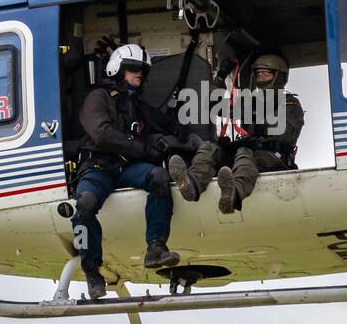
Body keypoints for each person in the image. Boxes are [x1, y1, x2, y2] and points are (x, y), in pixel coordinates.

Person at [73, 43, 180, 299]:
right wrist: (141, 148)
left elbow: (162, 123)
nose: (139, 74)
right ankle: (91, 270)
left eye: (141, 70)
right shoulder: (98, 98)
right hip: (98, 166)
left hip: (126, 167)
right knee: (85, 204)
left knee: (159, 177)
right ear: (118, 70)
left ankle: (156, 247)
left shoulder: (137, 106)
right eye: (133, 69)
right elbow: (101, 133)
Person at [168, 50, 305, 214]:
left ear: (279, 77)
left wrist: (259, 126)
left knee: (245, 152)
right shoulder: (252, 101)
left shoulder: (290, 104)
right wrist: (220, 77)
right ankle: (192, 184)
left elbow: (286, 133)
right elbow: (214, 105)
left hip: (273, 155)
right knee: (209, 148)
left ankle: (233, 194)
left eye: (265, 74)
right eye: (258, 74)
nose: (260, 78)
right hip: (248, 152)